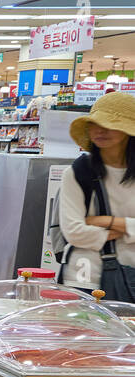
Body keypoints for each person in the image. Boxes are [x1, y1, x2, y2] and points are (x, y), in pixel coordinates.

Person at [57, 91, 135, 295]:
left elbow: (82, 228)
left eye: (109, 124)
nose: (100, 130)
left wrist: (100, 221)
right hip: (84, 275)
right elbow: (74, 232)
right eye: (94, 123)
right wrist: (128, 228)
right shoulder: (77, 172)